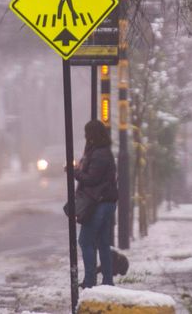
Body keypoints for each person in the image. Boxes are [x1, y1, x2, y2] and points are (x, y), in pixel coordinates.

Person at [70, 119, 119, 287]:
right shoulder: (103, 151)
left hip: (98, 203)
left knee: (85, 241)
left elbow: (92, 179)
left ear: (93, 134)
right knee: (103, 243)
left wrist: (75, 173)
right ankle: (107, 281)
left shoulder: (99, 153)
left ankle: (90, 281)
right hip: (107, 202)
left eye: (87, 132)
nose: (85, 136)